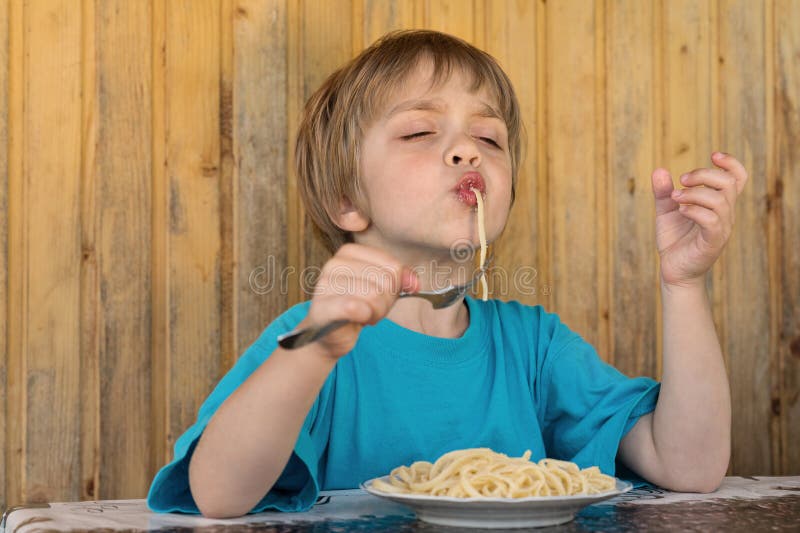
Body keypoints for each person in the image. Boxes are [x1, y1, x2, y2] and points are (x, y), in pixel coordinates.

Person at [147, 30, 745, 518]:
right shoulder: (315, 339)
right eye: (419, 132)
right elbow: (218, 495)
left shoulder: (534, 347)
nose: (467, 151)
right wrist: (314, 346)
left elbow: (688, 466)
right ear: (345, 200)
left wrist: (684, 285)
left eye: (488, 136)